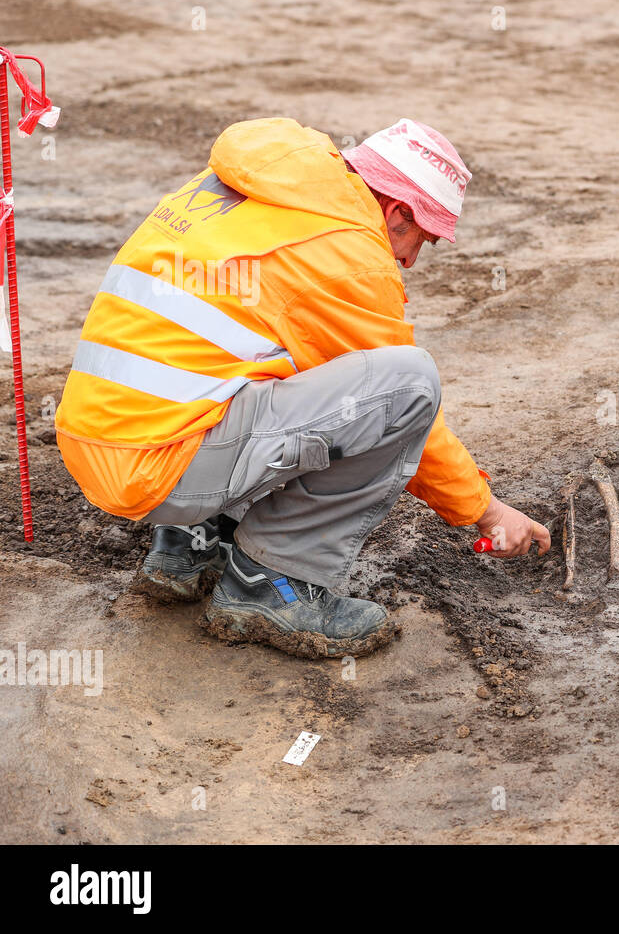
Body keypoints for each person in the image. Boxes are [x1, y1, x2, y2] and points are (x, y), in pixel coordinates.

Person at [55, 117, 549, 658]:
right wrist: (487, 511)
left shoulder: (244, 188)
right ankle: (268, 585)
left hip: (99, 440)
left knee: (283, 361)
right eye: (420, 239)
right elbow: (409, 413)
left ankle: (191, 544)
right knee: (408, 382)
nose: (409, 259)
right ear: (397, 211)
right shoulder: (345, 253)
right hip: (161, 468)